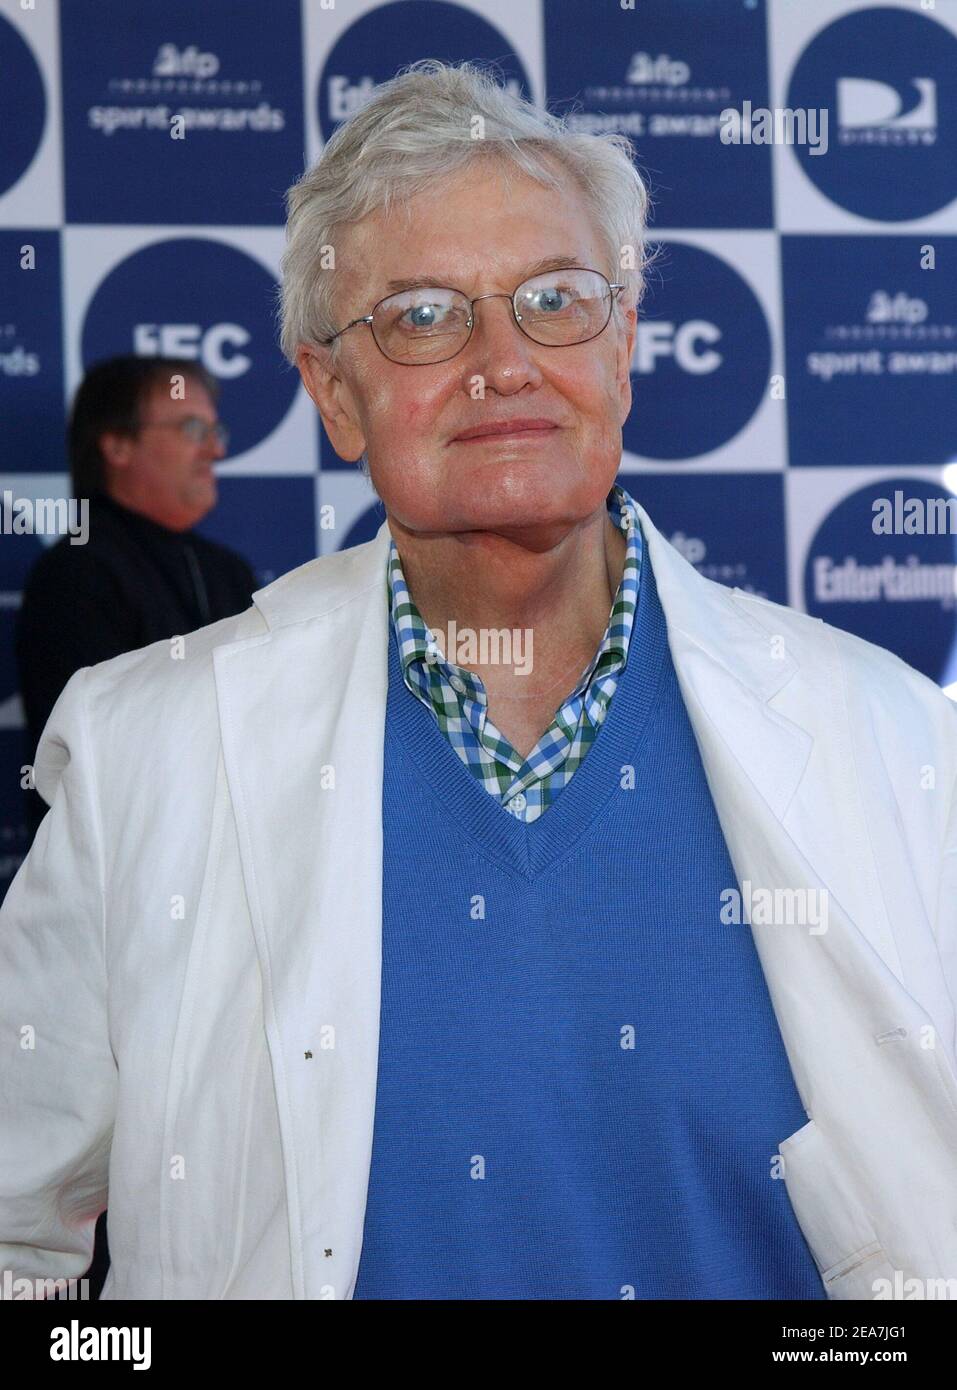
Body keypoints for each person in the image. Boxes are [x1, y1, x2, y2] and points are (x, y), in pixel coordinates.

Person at [1, 60, 956, 1302]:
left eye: (556, 299)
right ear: (334, 394)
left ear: (622, 349)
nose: (503, 361)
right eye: (422, 315)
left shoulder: (884, 736)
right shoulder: (146, 755)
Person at [15, 355, 258, 837]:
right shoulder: (74, 576)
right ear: (118, 446)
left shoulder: (227, 571)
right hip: (117, 886)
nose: (214, 451)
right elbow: (100, 762)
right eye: (192, 428)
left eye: (215, 431)